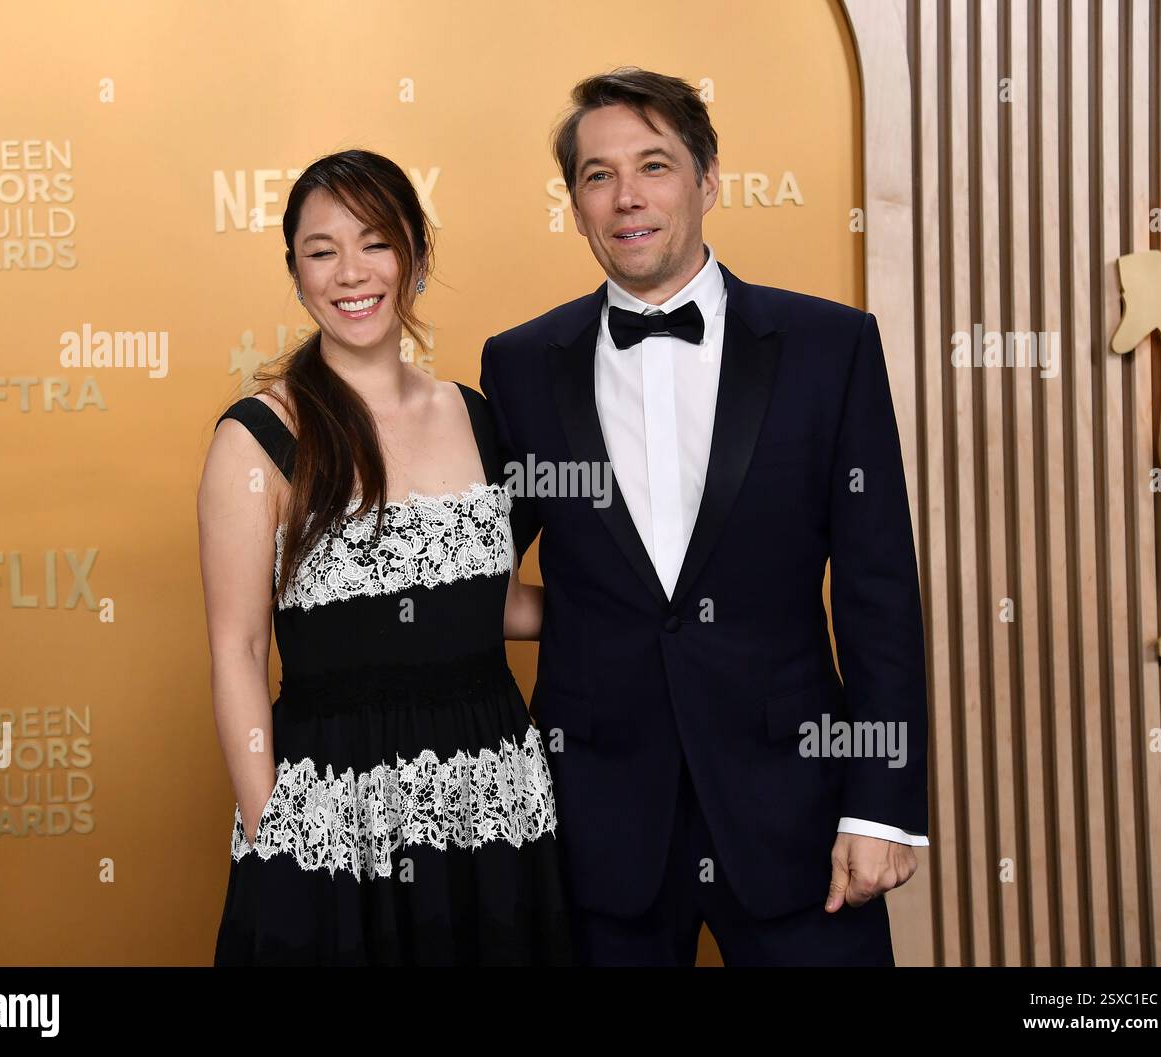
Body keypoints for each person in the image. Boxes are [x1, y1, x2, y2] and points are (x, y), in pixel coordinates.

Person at [479, 67, 929, 966]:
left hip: (796, 811)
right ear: (574, 205)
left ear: (709, 180)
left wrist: (882, 802)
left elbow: (879, 586)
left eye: (655, 165)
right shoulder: (521, 364)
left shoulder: (829, 347)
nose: (627, 197)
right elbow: (475, 571)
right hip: (595, 818)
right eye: (598, 175)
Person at [198, 149, 571, 965]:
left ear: (415, 256)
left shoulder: (474, 414)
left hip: (493, 796)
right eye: (320, 250)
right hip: (335, 816)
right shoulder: (257, 438)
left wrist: (647, 614)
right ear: (295, 274)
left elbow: (492, 604)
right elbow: (238, 649)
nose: (349, 272)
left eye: (375, 242)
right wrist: (273, 829)